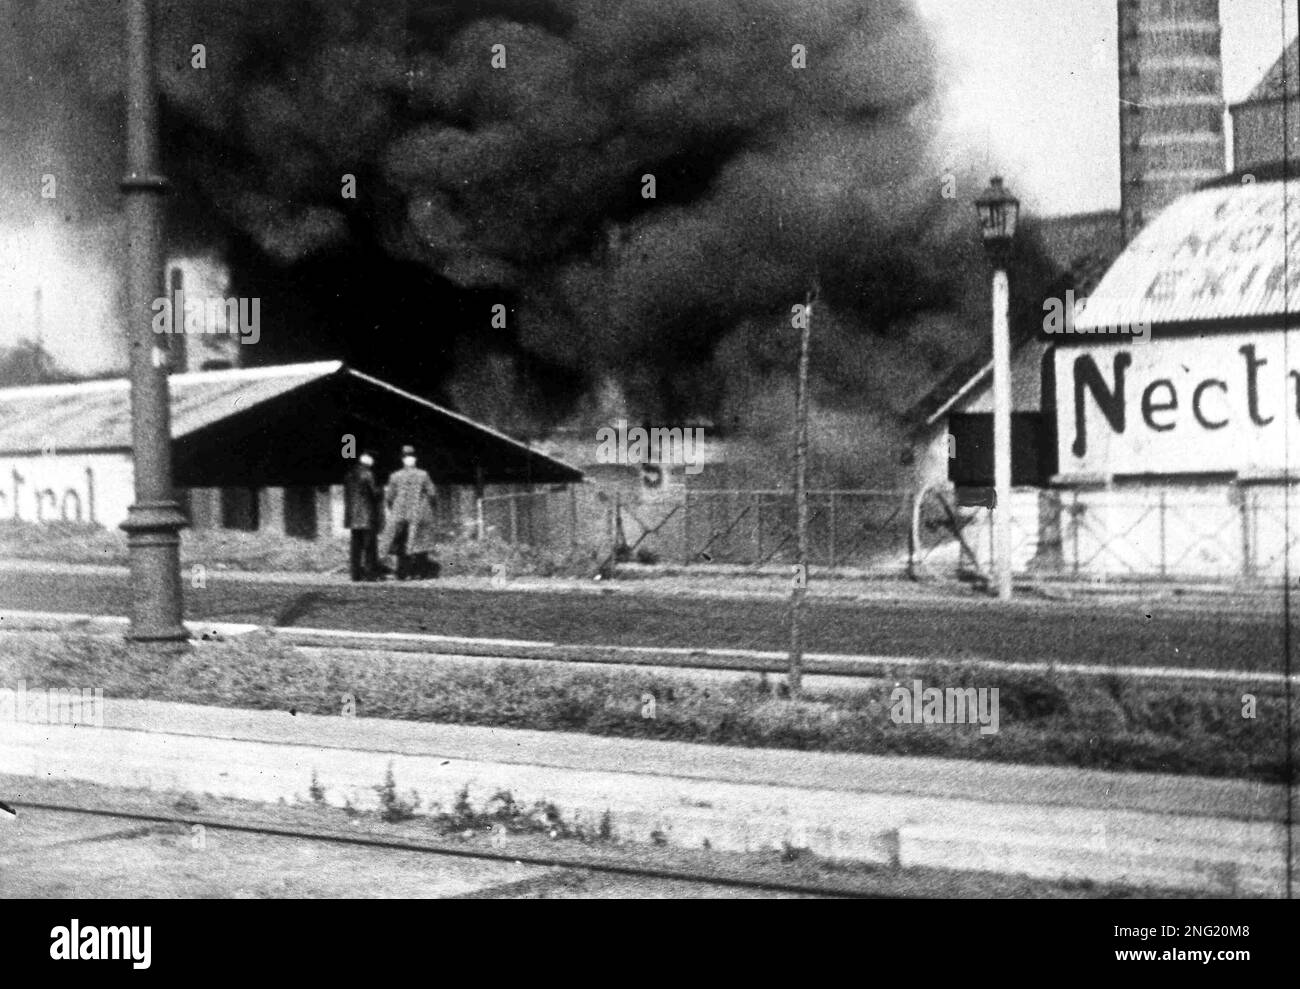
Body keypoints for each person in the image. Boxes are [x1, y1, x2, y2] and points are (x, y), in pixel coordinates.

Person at [381, 445, 440, 580]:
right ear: (416, 459)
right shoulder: (423, 475)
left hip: (400, 514)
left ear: (402, 460)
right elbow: (432, 493)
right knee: (420, 543)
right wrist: (431, 508)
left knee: (401, 544)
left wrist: (394, 509)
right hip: (418, 513)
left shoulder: (395, 476)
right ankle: (421, 573)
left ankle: (402, 573)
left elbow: (389, 497)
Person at [343, 451, 384, 581]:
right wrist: (381, 490)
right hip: (367, 516)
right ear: (368, 460)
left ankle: (355, 575)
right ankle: (371, 574)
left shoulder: (349, 475)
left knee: (355, 547)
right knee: (370, 546)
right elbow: (374, 493)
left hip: (353, 517)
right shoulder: (368, 473)